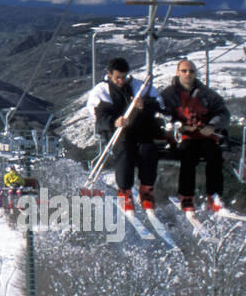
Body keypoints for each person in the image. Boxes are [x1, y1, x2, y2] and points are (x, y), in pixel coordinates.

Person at [88, 57, 163, 213]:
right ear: (109, 74)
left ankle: (146, 190)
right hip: (117, 133)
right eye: (118, 78)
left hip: (140, 130)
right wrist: (114, 122)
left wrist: (144, 105)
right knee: (125, 152)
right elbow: (99, 115)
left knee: (148, 150)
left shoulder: (139, 87)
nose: (121, 81)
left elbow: (158, 103)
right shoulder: (102, 91)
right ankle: (125, 192)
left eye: (124, 77)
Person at [159, 59, 230, 213]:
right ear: (178, 73)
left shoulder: (207, 94)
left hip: (205, 136)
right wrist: (180, 126)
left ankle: (214, 196)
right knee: (188, 156)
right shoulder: (169, 94)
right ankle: (186, 196)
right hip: (184, 137)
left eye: (191, 71)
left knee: (215, 155)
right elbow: (163, 115)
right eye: (184, 71)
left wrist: (212, 125)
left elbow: (223, 113)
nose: (187, 74)